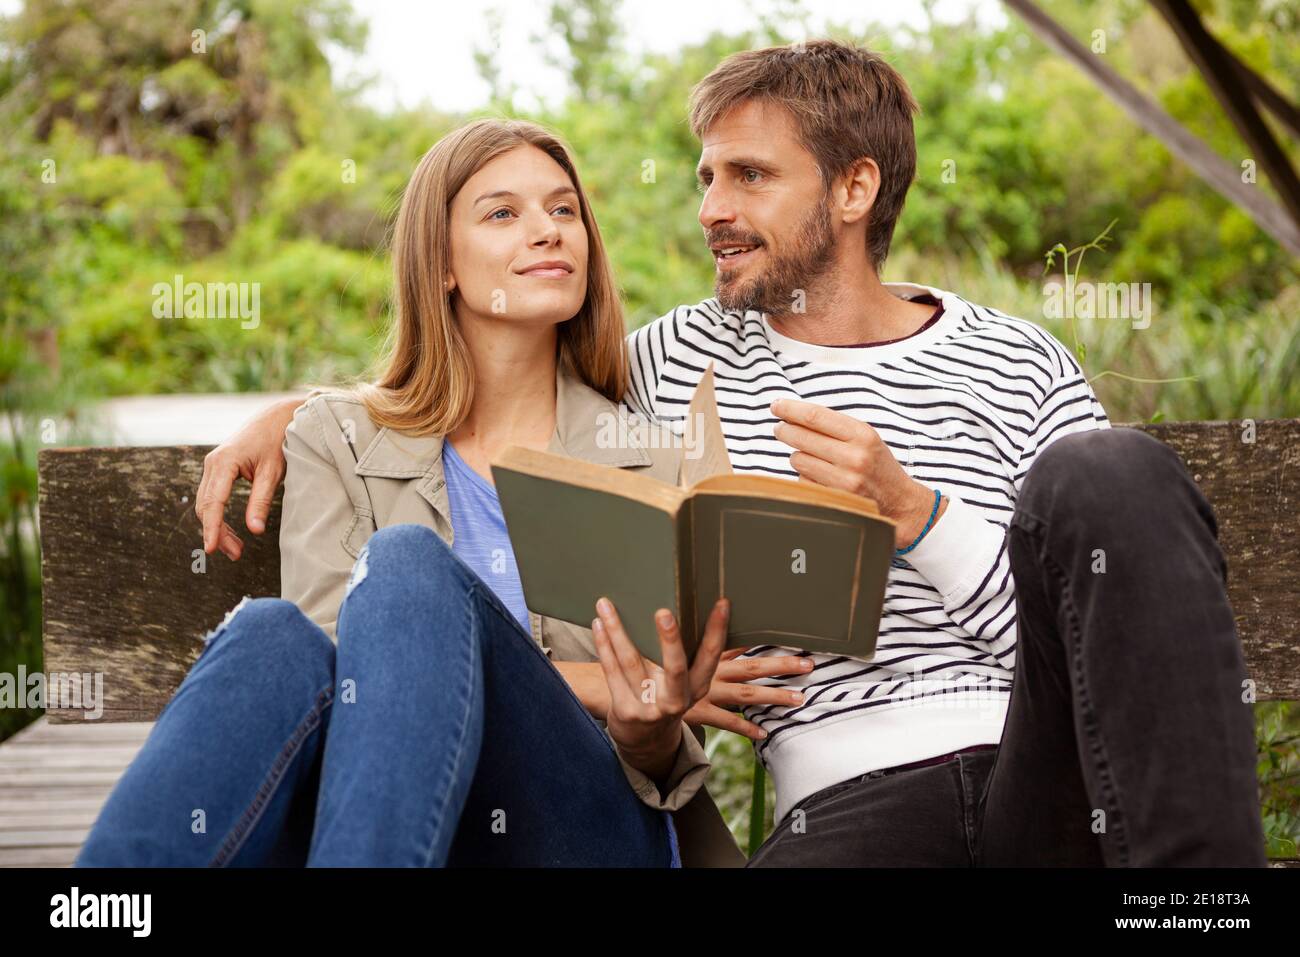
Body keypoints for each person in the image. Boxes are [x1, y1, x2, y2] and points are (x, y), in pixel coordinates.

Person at [194, 41, 1267, 867]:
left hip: (1052, 774)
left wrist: (919, 518)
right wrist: (306, 411)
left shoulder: (1018, 361)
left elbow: (1100, 631)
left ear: (851, 191)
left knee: (1112, 470)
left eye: (747, 178)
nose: (710, 209)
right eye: (705, 176)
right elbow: (487, 369)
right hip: (845, 799)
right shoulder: (673, 363)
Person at [75, 118, 773, 868]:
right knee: (269, 636)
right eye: (504, 213)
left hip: (579, 827)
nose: (547, 231)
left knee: (406, 562)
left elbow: (666, 751)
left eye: (564, 209)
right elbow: (335, 678)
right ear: (440, 262)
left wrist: (642, 719)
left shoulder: (653, 462)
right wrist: (601, 680)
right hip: (386, 814)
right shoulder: (337, 438)